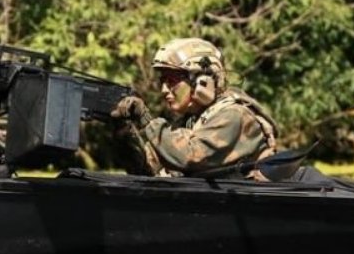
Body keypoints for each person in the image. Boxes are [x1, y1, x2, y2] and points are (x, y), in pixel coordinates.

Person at [110, 37, 279, 179]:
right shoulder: (191, 121)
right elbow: (145, 170)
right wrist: (122, 129)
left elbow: (190, 158)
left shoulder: (234, 115)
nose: (164, 89)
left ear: (202, 81)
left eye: (172, 81)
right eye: (163, 81)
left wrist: (145, 120)